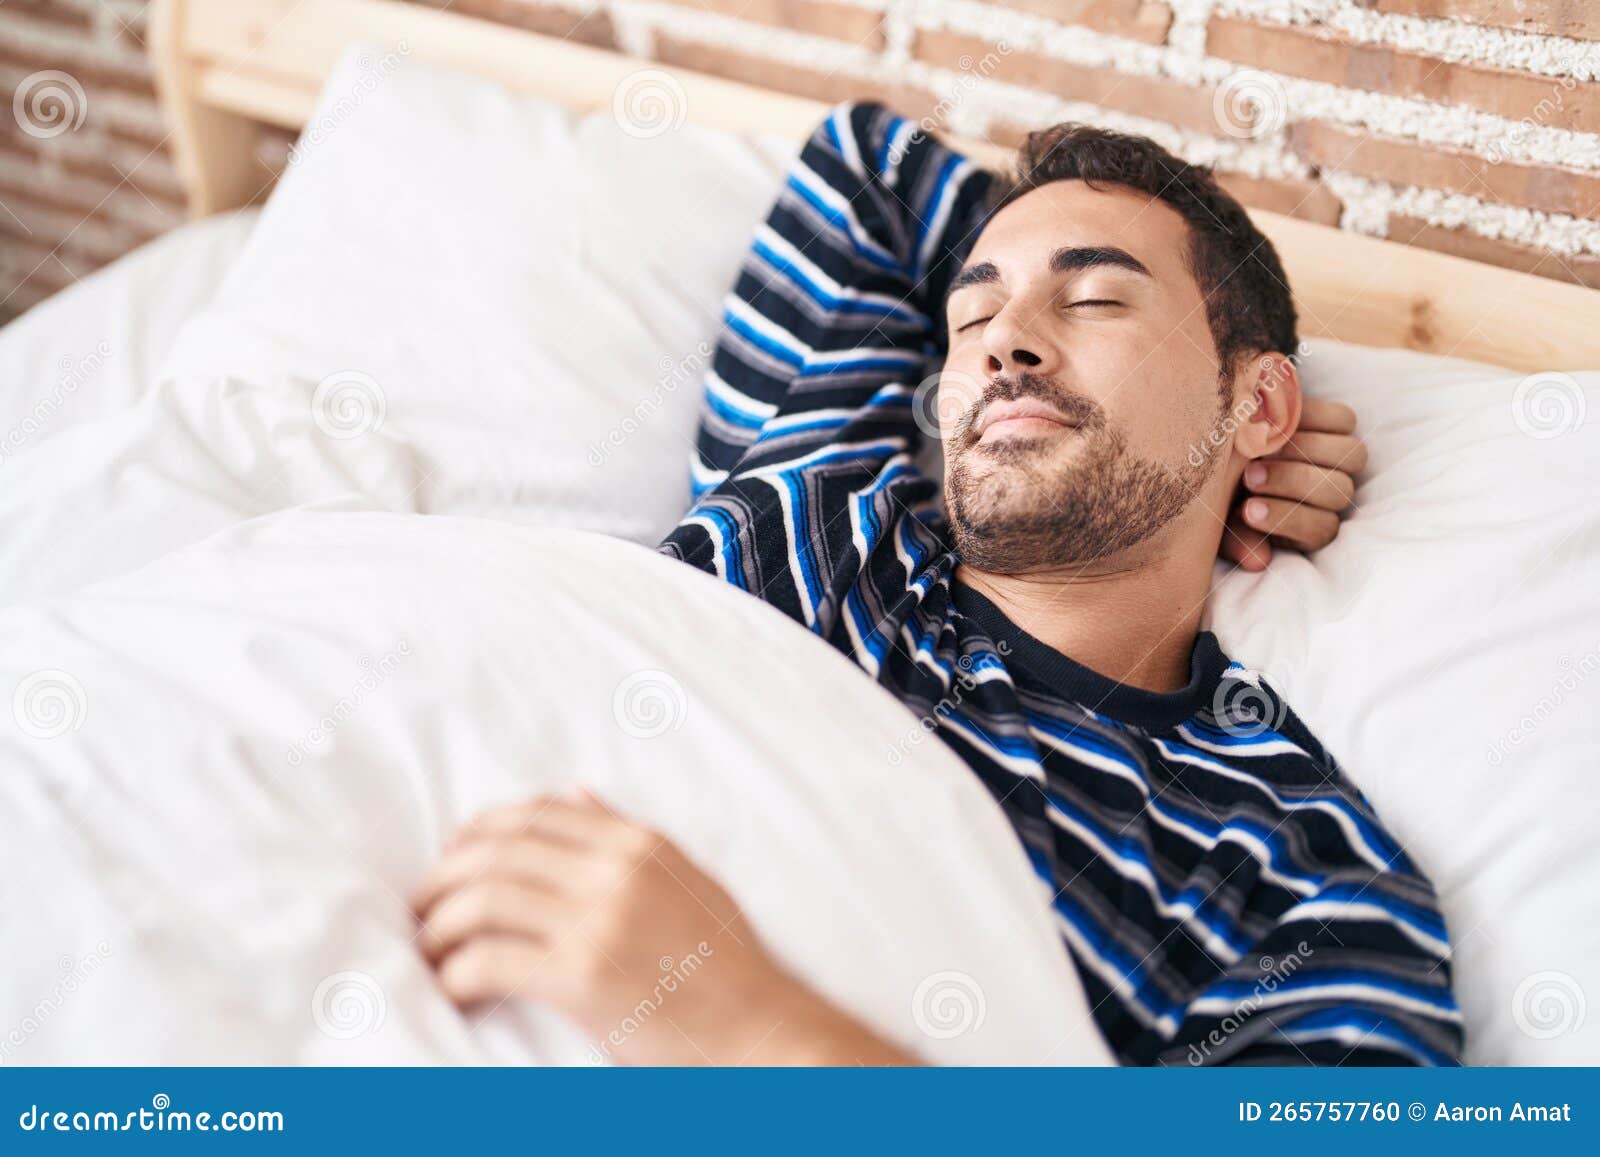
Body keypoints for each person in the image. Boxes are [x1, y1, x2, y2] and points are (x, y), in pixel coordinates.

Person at [410, 103, 1463, 1066]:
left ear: (1266, 402)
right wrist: (1205, 439)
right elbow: (869, 170)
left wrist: (743, 1025)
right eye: (972, 315)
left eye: (1096, 297)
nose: (1005, 341)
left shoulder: (1291, 873)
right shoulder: (824, 513)